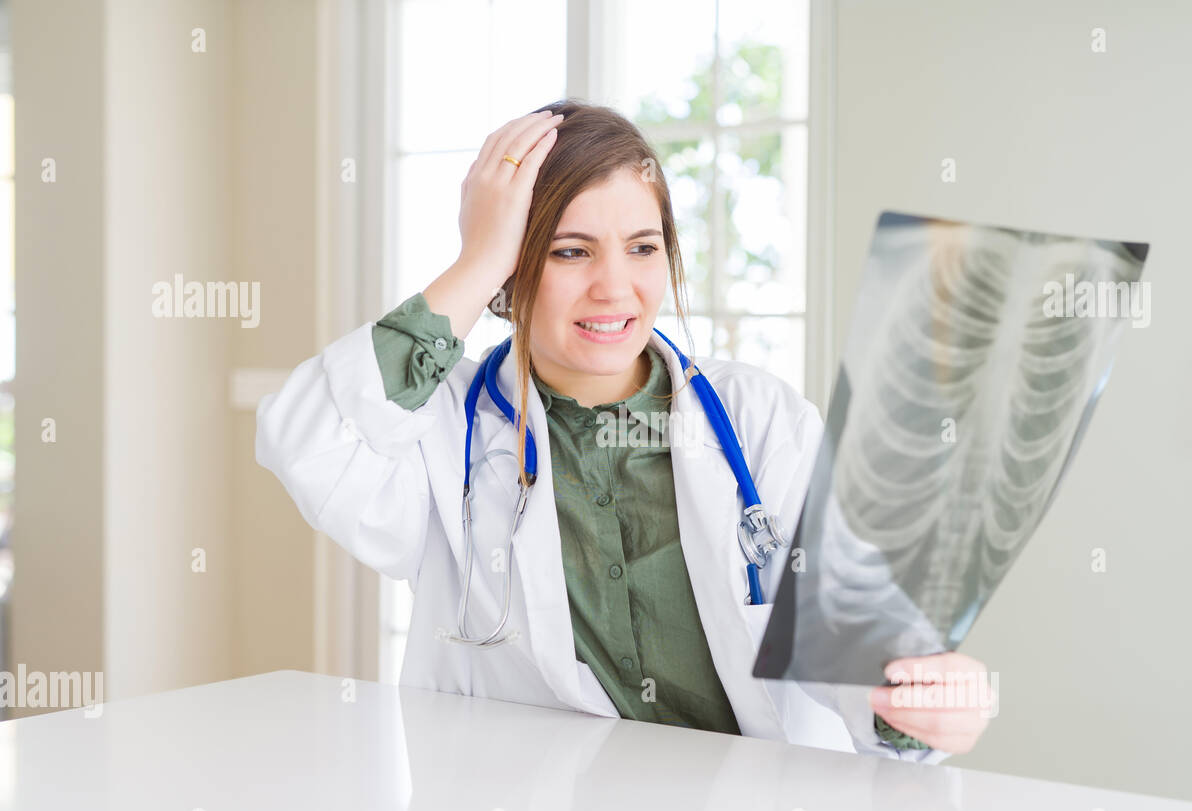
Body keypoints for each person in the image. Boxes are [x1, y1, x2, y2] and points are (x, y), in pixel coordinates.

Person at [255, 99, 993, 760]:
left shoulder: (757, 421)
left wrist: (913, 699)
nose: (616, 286)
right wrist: (476, 258)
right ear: (513, 269)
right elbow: (307, 437)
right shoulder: (445, 431)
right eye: (570, 250)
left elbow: (848, 623)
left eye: (642, 247)